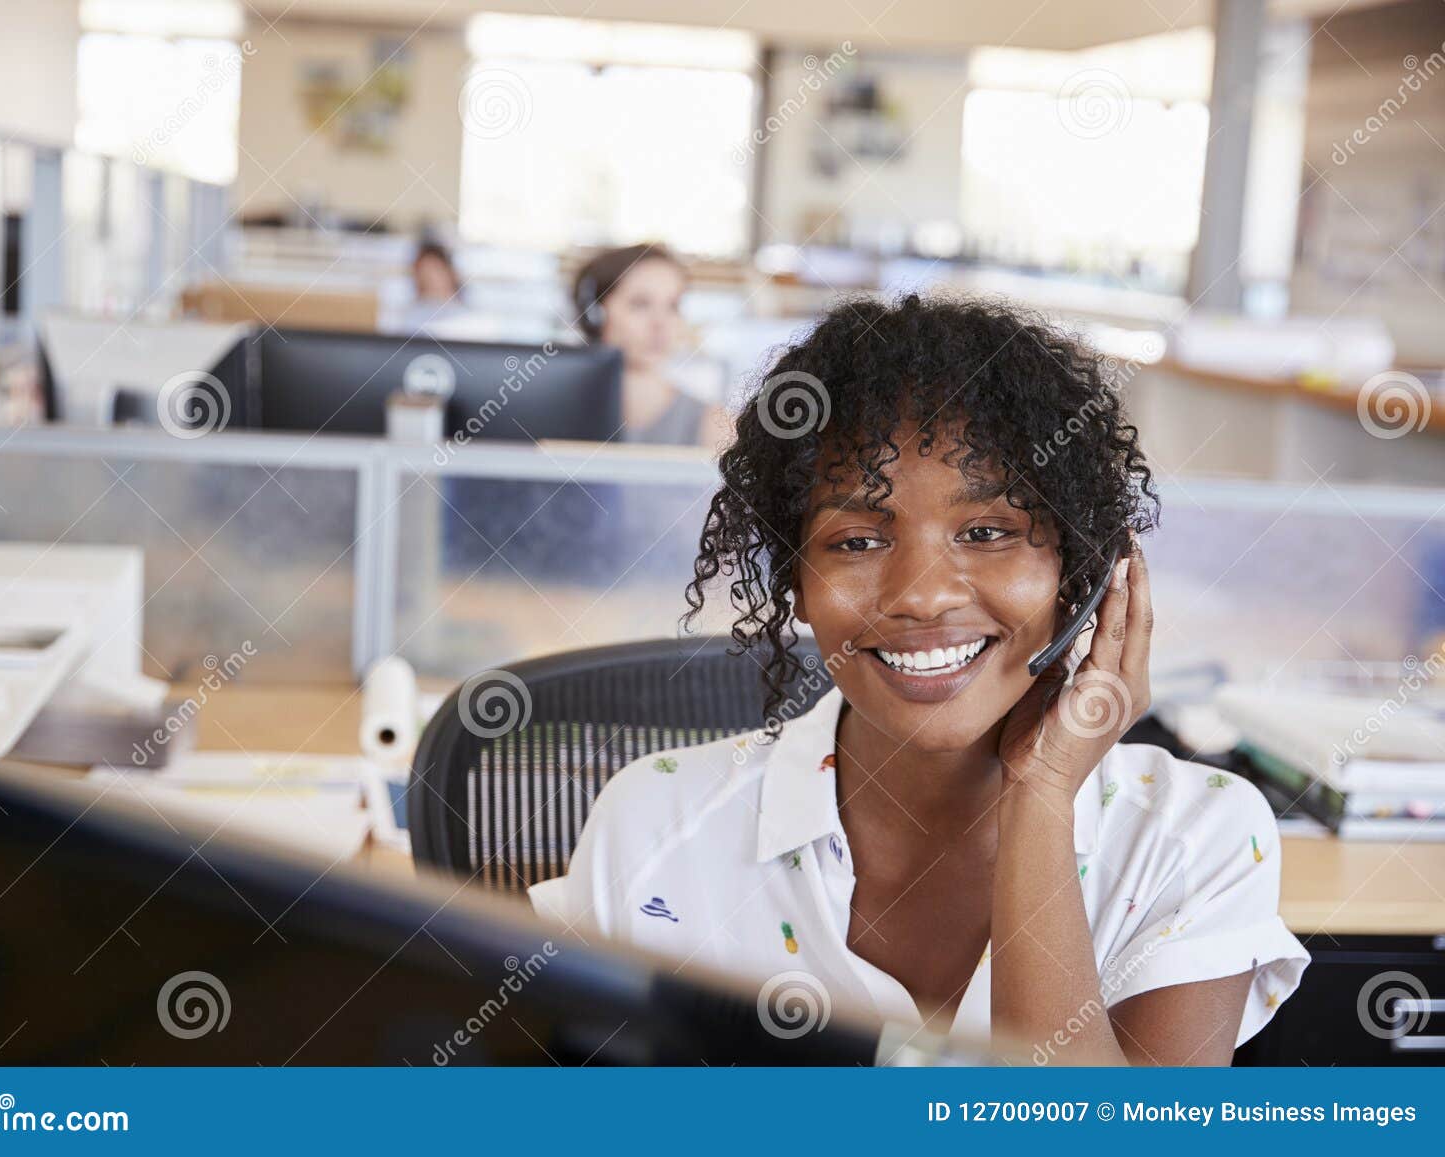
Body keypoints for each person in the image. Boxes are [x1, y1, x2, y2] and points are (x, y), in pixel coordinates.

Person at [530, 294, 1309, 1065]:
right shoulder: (656, 826)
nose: (921, 594)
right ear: (795, 580)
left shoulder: (1192, 836)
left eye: (986, 531)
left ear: (1083, 572)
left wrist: (1039, 800)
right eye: (858, 539)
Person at [572, 243, 721, 446]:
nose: (660, 323)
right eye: (640, 304)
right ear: (595, 316)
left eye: (672, 306)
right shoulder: (554, 410)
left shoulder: (714, 426)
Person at [412, 240, 461, 305]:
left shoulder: (469, 312)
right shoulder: (414, 311)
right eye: (424, 275)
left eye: (434, 270)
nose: (429, 280)